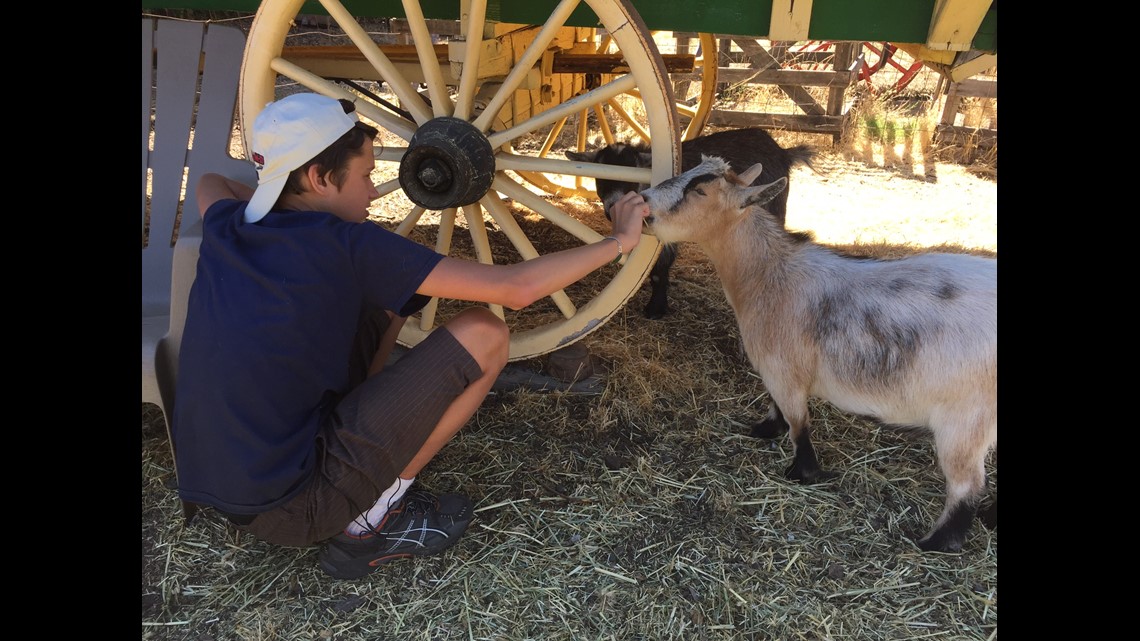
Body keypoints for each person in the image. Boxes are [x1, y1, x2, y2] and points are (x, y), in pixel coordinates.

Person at [172, 92, 650, 580]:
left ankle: (361, 471)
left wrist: (271, 194)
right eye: (363, 177)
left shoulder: (230, 223)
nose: (373, 193)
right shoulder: (346, 243)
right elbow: (516, 289)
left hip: (223, 487)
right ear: (318, 178)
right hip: (299, 509)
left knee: (394, 299)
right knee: (485, 333)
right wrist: (619, 240)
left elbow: (210, 184)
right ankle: (371, 517)